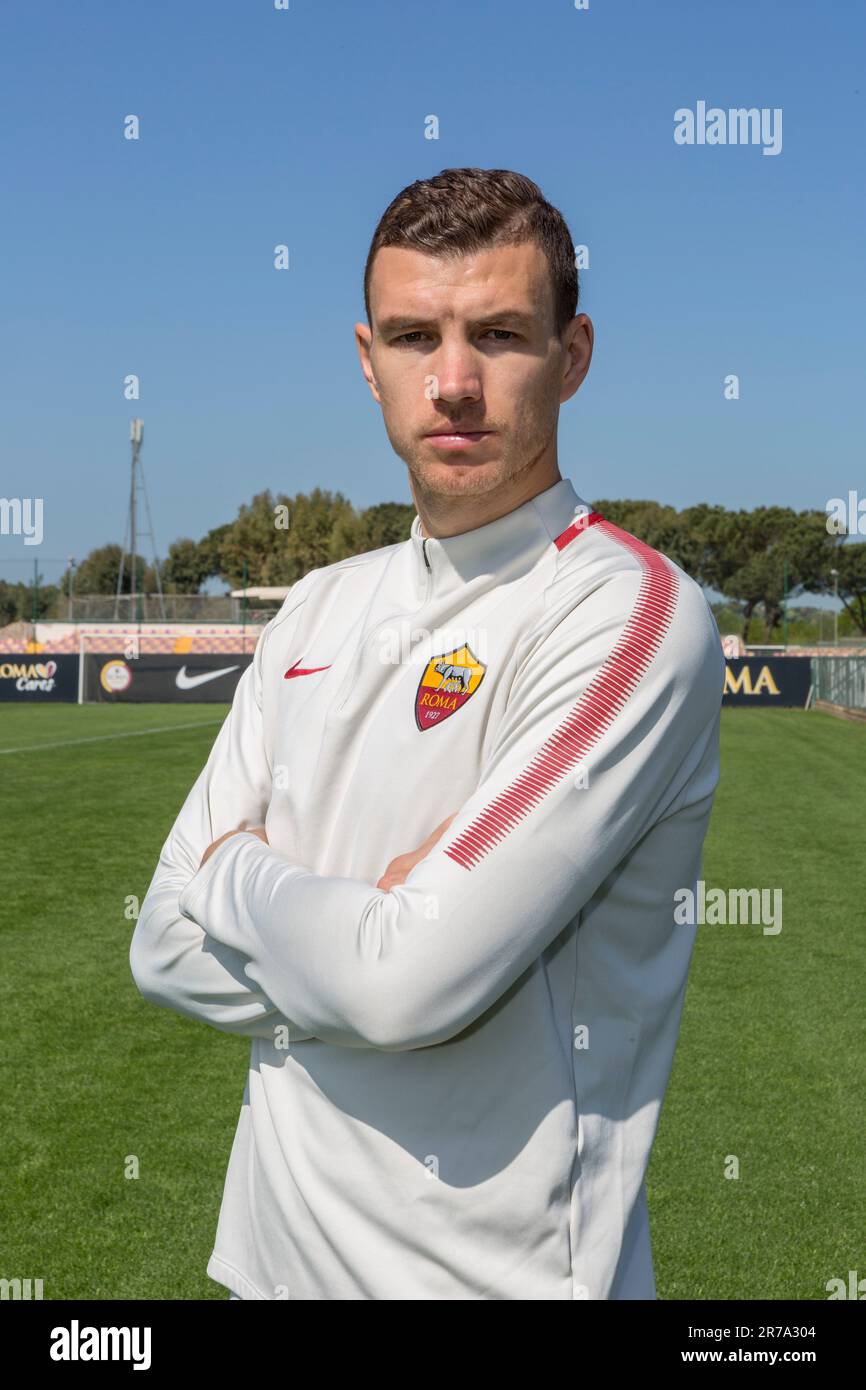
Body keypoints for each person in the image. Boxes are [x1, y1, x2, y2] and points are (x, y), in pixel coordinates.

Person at [129, 167, 724, 1301]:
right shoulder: (315, 606)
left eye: (497, 334)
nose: (450, 383)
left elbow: (408, 984)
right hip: (264, 1273)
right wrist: (366, 935)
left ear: (573, 353)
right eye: (412, 336)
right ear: (367, 360)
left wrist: (238, 876)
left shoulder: (625, 613)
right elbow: (159, 946)